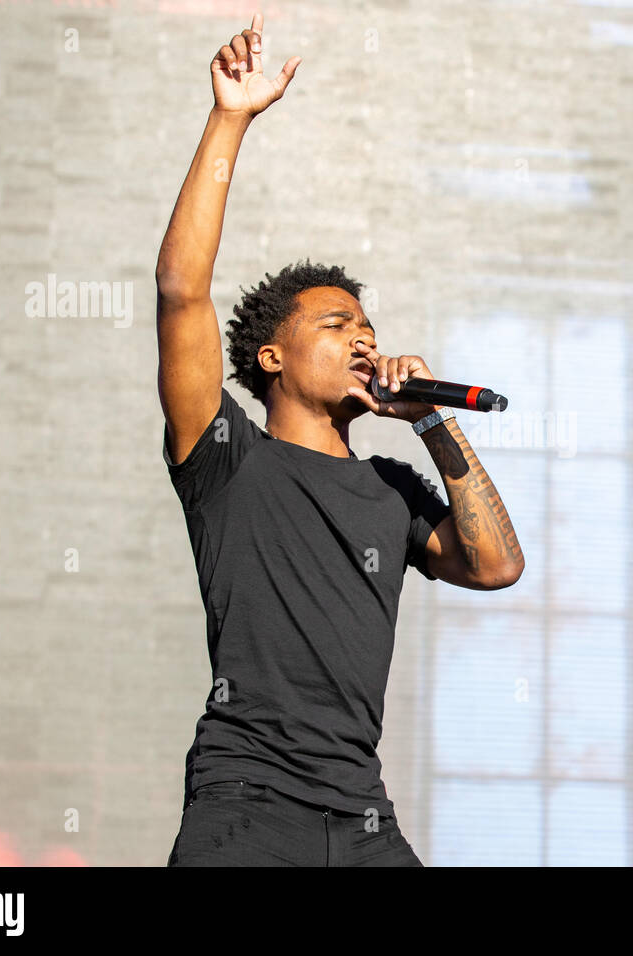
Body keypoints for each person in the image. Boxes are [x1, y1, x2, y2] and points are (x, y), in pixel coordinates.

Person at [155, 13, 525, 866]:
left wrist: (432, 420)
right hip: (247, 805)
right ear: (272, 355)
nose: (364, 339)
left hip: (360, 813)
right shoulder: (228, 460)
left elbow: (497, 565)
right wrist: (231, 118)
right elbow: (182, 289)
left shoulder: (391, 492)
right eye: (336, 324)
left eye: (368, 325)